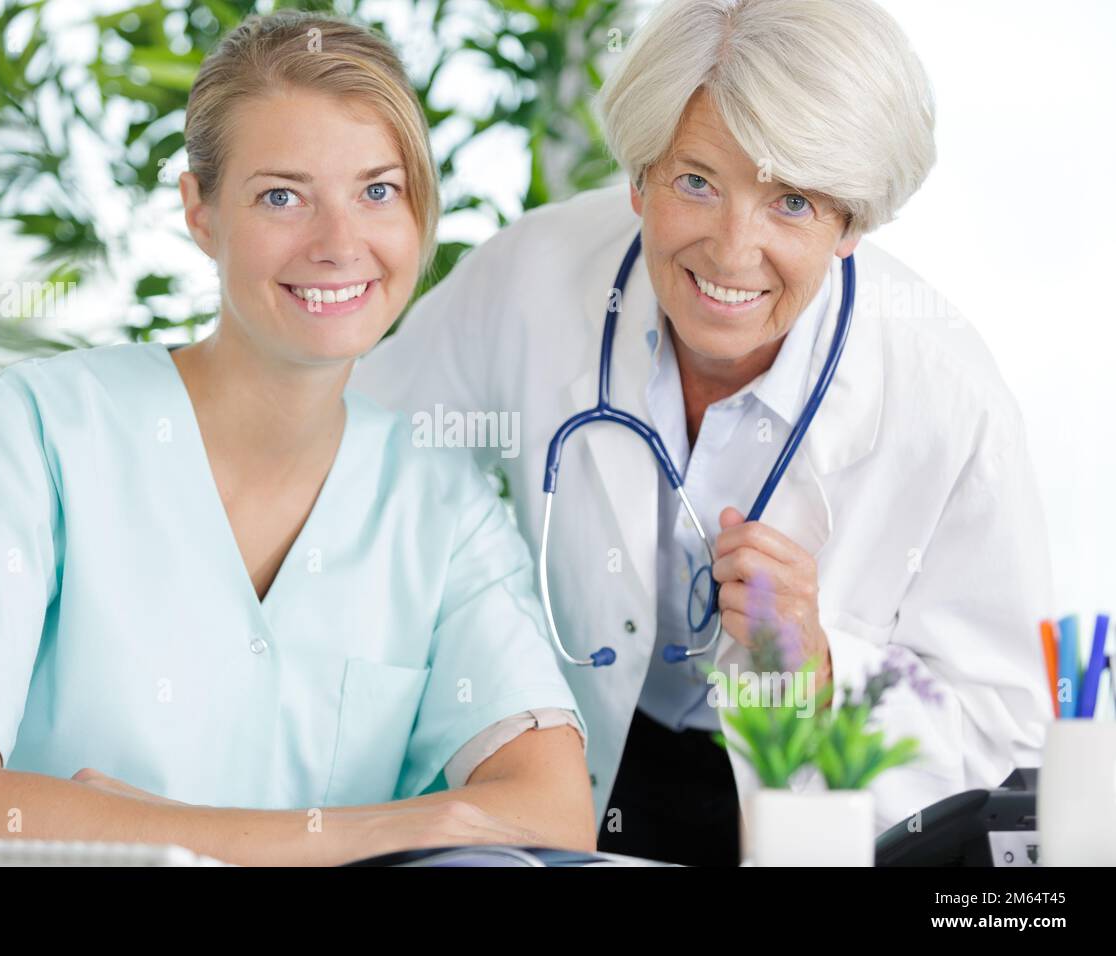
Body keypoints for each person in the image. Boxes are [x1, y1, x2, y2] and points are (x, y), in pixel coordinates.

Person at [0, 12, 595, 867]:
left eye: (378, 190)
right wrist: (361, 832)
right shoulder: (32, 436)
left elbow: (555, 817)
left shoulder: (441, 505)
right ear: (201, 213)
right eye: (282, 197)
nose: (339, 245)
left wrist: (146, 829)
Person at [352, 0, 1052, 865]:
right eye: (696, 182)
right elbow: (360, 462)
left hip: (809, 805)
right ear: (640, 176)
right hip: (572, 770)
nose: (731, 249)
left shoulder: (951, 403)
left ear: (852, 227)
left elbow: (1006, 729)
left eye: (792, 201)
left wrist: (824, 665)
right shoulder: (533, 276)